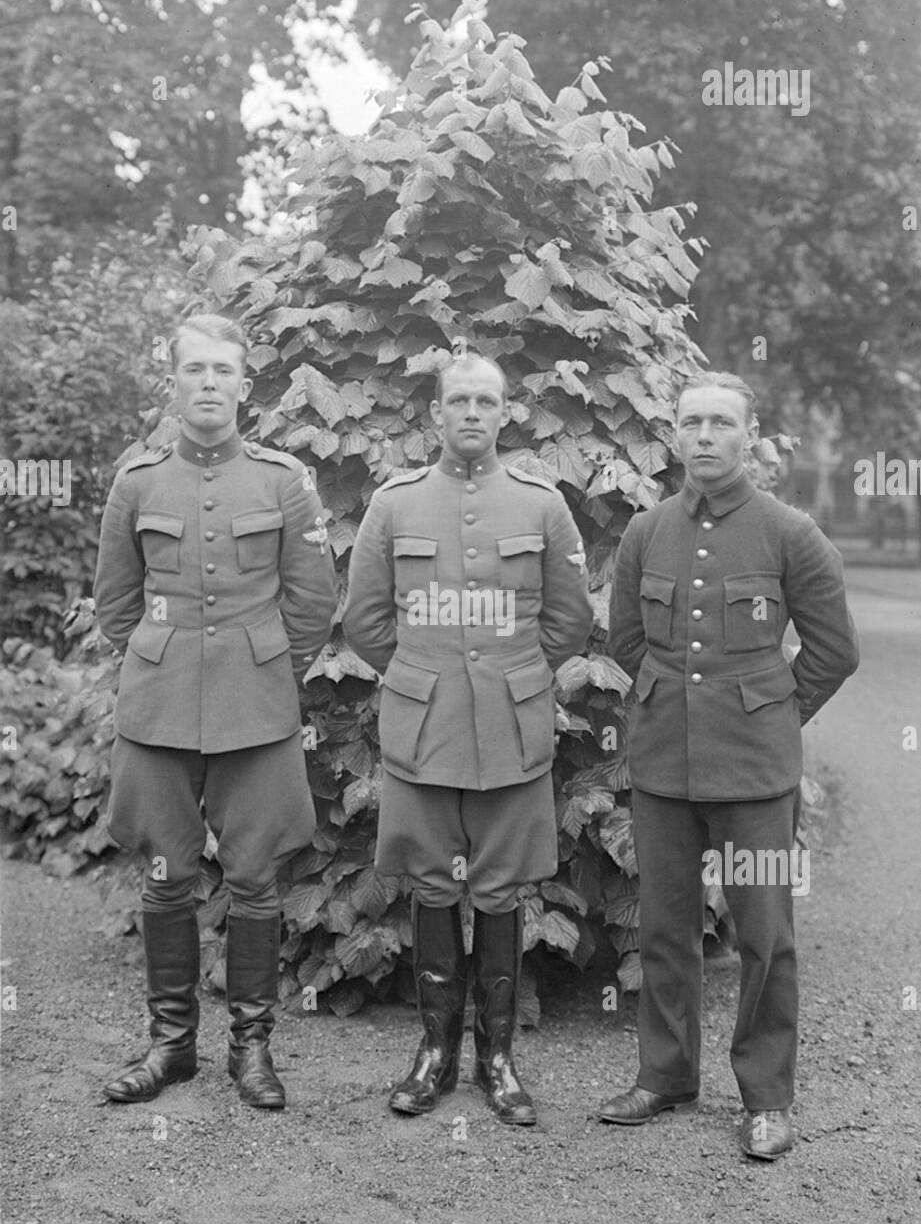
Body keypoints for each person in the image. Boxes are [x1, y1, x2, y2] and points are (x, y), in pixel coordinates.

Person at [598, 371, 859, 1157]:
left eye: (719, 423)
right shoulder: (646, 533)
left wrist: (771, 716)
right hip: (662, 775)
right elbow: (625, 643)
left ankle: (766, 1098)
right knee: (665, 930)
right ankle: (666, 1075)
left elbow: (832, 651)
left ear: (749, 436)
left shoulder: (788, 532)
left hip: (752, 778)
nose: (703, 436)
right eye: (690, 423)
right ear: (673, 436)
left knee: (763, 937)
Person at [94, 313, 337, 1109]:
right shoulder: (137, 483)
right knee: (166, 879)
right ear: (174, 381)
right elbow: (117, 606)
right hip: (158, 709)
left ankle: (251, 1050)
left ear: (244, 385)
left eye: (221, 372)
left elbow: (311, 604)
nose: (207, 384)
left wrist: (263, 668)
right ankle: (171, 1048)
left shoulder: (280, 481)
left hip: (256, 707)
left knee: (255, 879)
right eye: (193, 370)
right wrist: (167, 665)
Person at [342, 354, 593, 1125]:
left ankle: (498, 1059)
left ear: (505, 413)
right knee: (429, 882)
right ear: (436, 415)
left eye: (487, 401)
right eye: (459, 401)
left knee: (501, 886)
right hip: (423, 722)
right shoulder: (395, 504)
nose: (473, 414)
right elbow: (366, 622)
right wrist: (424, 671)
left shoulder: (541, 504)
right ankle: (434, 1054)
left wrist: (514, 672)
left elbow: (568, 620)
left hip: (512, 724)